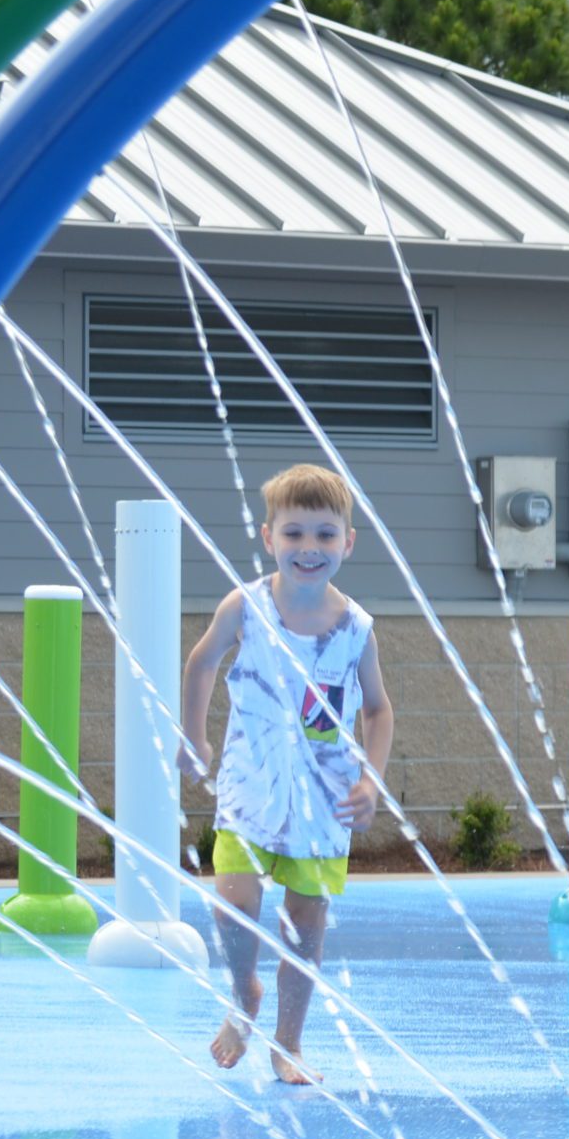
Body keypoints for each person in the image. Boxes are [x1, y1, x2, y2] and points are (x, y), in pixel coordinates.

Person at [180, 465, 394, 1086]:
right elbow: (201, 663)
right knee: (232, 904)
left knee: (305, 930)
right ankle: (244, 990)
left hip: (325, 802)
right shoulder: (245, 607)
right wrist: (193, 737)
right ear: (269, 536)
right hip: (249, 787)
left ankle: (288, 1043)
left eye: (325, 535)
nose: (309, 548)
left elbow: (379, 709)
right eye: (294, 533)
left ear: (347, 543)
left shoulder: (356, 629)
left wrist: (371, 781)